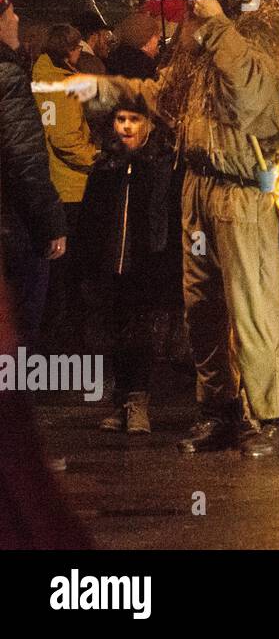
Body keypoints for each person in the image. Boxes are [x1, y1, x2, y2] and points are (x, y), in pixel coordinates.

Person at [65, 0, 279, 458]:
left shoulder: (256, 39)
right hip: (197, 187)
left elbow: (249, 96)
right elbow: (165, 99)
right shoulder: (196, 48)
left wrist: (216, 26)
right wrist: (110, 90)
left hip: (241, 190)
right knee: (204, 309)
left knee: (255, 303)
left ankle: (275, 417)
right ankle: (219, 412)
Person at [79, 99, 183, 434]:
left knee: (142, 333)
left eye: (133, 119)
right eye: (121, 119)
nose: (126, 126)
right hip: (112, 263)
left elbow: (169, 214)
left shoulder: (162, 165)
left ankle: (139, 402)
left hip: (147, 262)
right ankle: (121, 399)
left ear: (148, 124)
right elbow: (91, 216)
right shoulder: (107, 165)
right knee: (116, 331)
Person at [0, 0, 67, 344]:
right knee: (18, 331)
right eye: (10, 14)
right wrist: (51, 224)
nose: (17, 20)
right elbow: (24, 158)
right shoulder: (8, 75)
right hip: (14, 229)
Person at [32, 24, 98, 351]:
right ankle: (68, 342)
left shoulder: (36, 78)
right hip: (70, 184)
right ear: (70, 51)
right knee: (71, 272)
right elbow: (65, 137)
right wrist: (95, 158)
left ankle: (50, 336)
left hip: (45, 182)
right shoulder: (66, 85)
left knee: (53, 268)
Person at [105, 12, 161, 80]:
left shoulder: (113, 56)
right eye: (156, 35)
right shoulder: (145, 65)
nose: (159, 39)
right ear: (147, 38)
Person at [75, 9, 113, 75]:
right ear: (94, 35)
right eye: (105, 35)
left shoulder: (68, 57)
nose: (109, 42)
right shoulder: (92, 64)